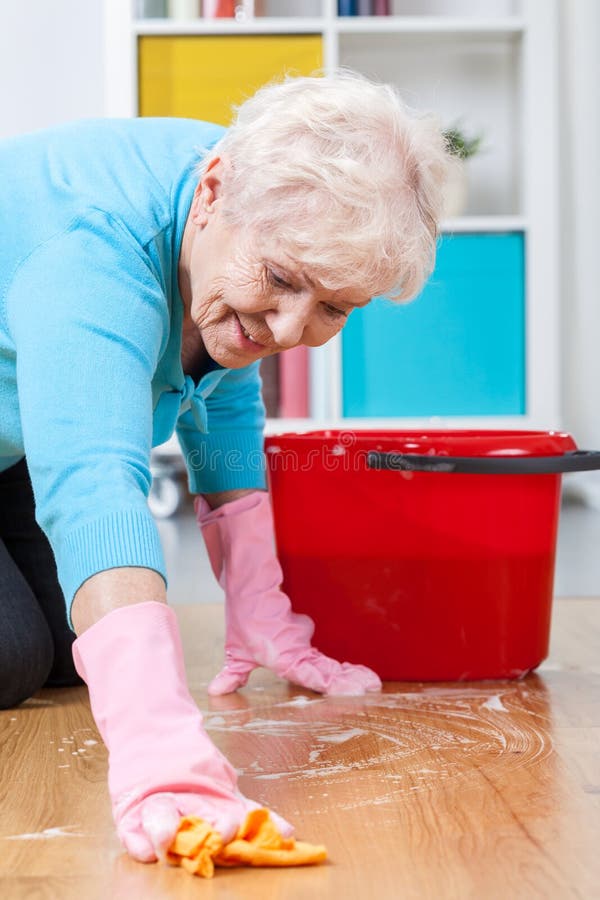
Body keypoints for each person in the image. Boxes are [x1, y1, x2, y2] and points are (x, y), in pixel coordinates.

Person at [0, 70, 450, 866]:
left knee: (73, 654)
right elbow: (94, 486)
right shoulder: (93, 254)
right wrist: (166, 760)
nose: (287, 328)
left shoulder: (247, 212)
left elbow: (226, 391)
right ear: (211, 193)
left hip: (16, 438)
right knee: (13, 654)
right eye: (280, 282)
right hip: (44, 441)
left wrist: (260, 608)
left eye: (332, 308)